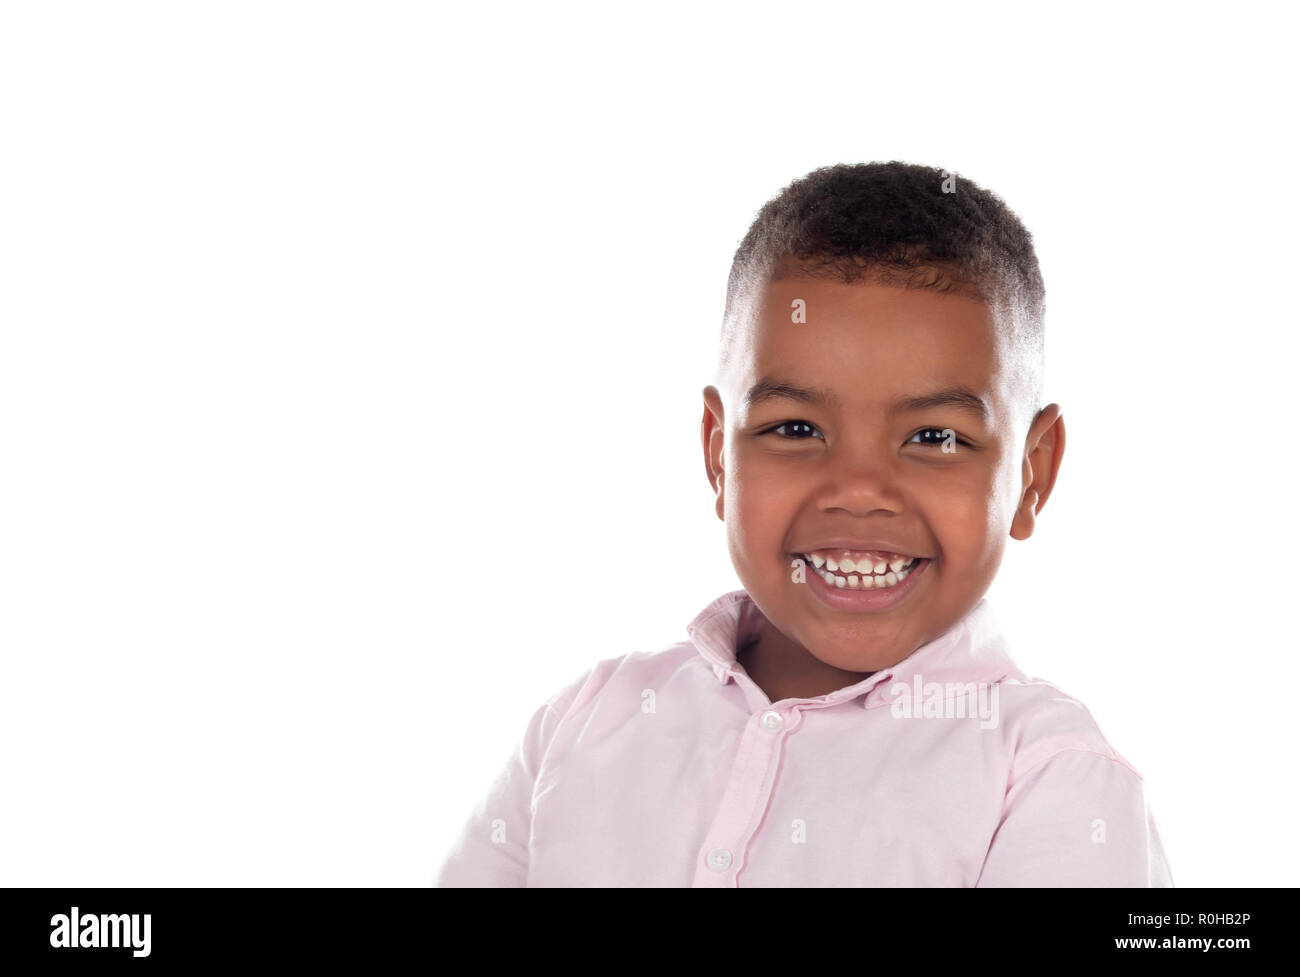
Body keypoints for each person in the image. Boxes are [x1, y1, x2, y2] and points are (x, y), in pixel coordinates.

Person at [434, 161, 1173, 887]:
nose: (858, 491)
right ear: (718, 454)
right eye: (795, 428)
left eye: (935, 437)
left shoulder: (1049, 780)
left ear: (1032, 473)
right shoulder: (584, 724)